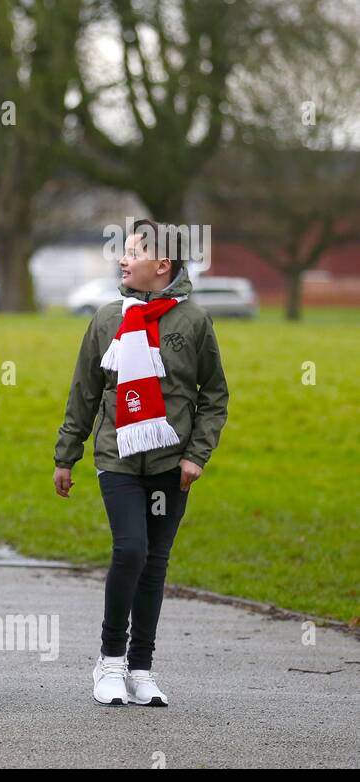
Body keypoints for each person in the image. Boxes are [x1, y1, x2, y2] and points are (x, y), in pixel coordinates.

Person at [54, 219, 228, 706]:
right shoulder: (108, 318)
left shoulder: (194, 321)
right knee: (130, 550)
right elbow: (84, 393)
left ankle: (140, 667)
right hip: (118, 459)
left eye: (133, 252)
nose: (123, 259)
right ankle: (109, 661)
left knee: (154, 564)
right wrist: (67, 456)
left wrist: (197, 456)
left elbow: (214, 395)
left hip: (171, 466)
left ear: (163, 264)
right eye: (124, 251)